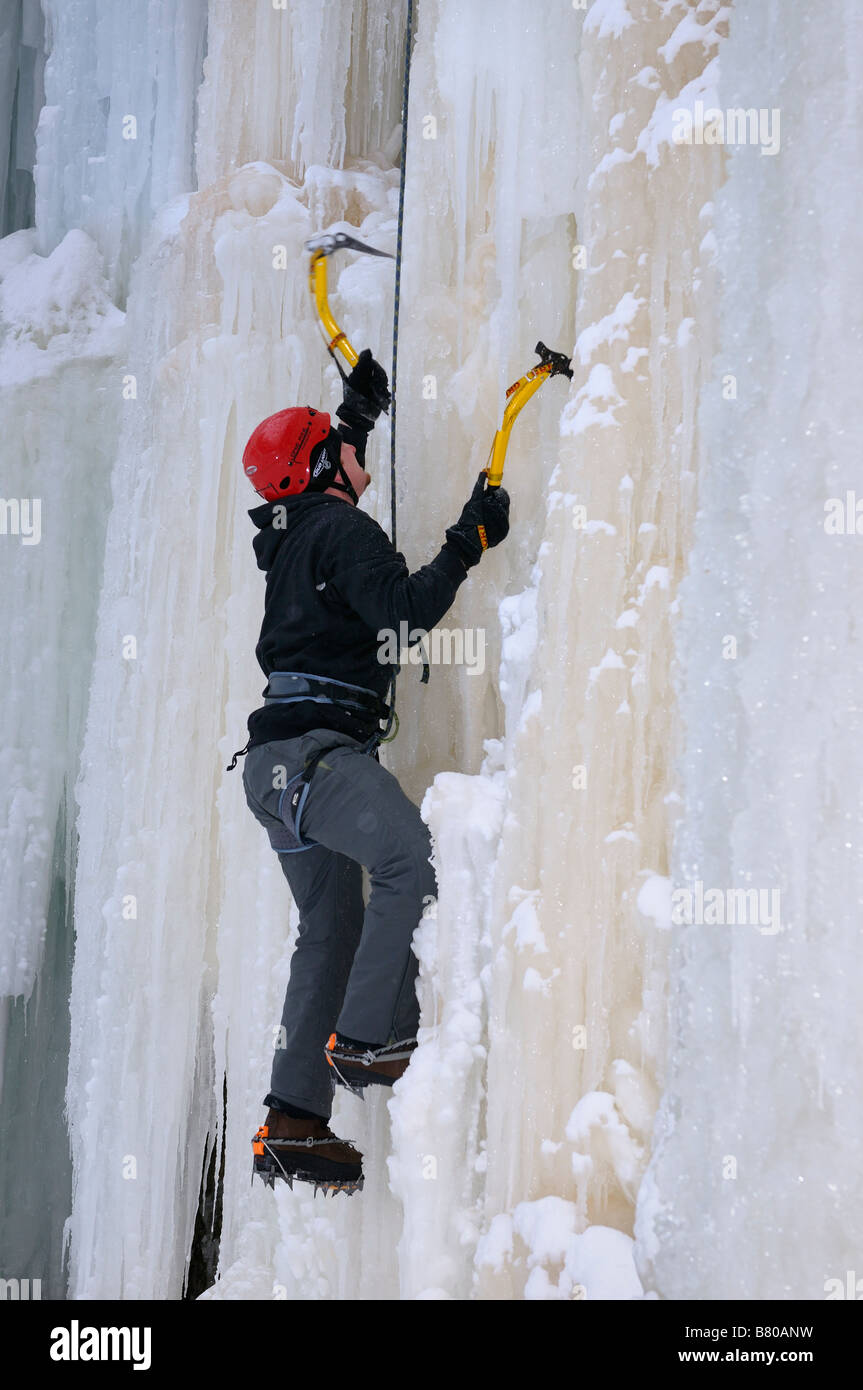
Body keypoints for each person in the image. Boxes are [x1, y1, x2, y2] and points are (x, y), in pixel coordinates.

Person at [234, 350, 510, 1194]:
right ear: (325, 469)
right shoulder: (341, 529)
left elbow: (328, 478)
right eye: (344, 449)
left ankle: (292, 1121)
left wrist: (354, 417)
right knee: (405, 858)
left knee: (329, 928)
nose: (357, 459)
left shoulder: (288, 540)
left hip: (271, 779)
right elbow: (407, 607)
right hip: (321, 761)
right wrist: (470, 538)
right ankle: (367, 1041)